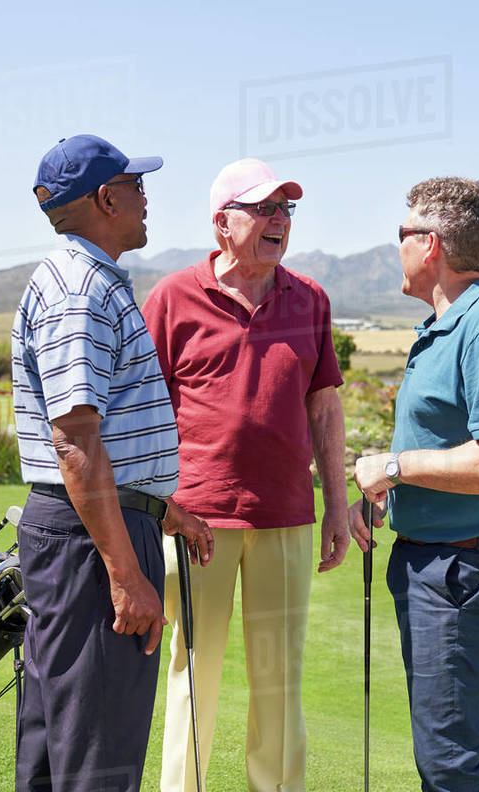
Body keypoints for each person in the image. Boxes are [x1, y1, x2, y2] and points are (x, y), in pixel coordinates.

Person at [12, 134, 213, 792]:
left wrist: (161, 508)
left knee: (62, 744)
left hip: (95, 529)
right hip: (95, 544)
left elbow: (100, 439)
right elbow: (75, 441)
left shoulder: (85, 281)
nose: (146, 198)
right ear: (106, 199)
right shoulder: (82, 291)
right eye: (136, 185)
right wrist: (125, 576)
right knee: (98, 753)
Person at [141, 157, 350, 792]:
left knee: (280, 679)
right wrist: (157, 504)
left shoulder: (310, 298)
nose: (278, 219)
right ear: (221, 223)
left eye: (285, 208)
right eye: (263, 208)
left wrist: (335, 506)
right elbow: (144, 410)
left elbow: (324, 406)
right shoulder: (172, 297)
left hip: (286, 516)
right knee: (194, 671)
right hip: (195, 518)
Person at [351, 177, 479, 792]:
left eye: (402, 234)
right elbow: (450, 444)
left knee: (451, 764)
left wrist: (394, 468)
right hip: (447, 564)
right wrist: (392, 493)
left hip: (466, 574)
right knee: (477, 749)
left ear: (430, 244)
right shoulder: (452, 322)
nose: (396, 247)